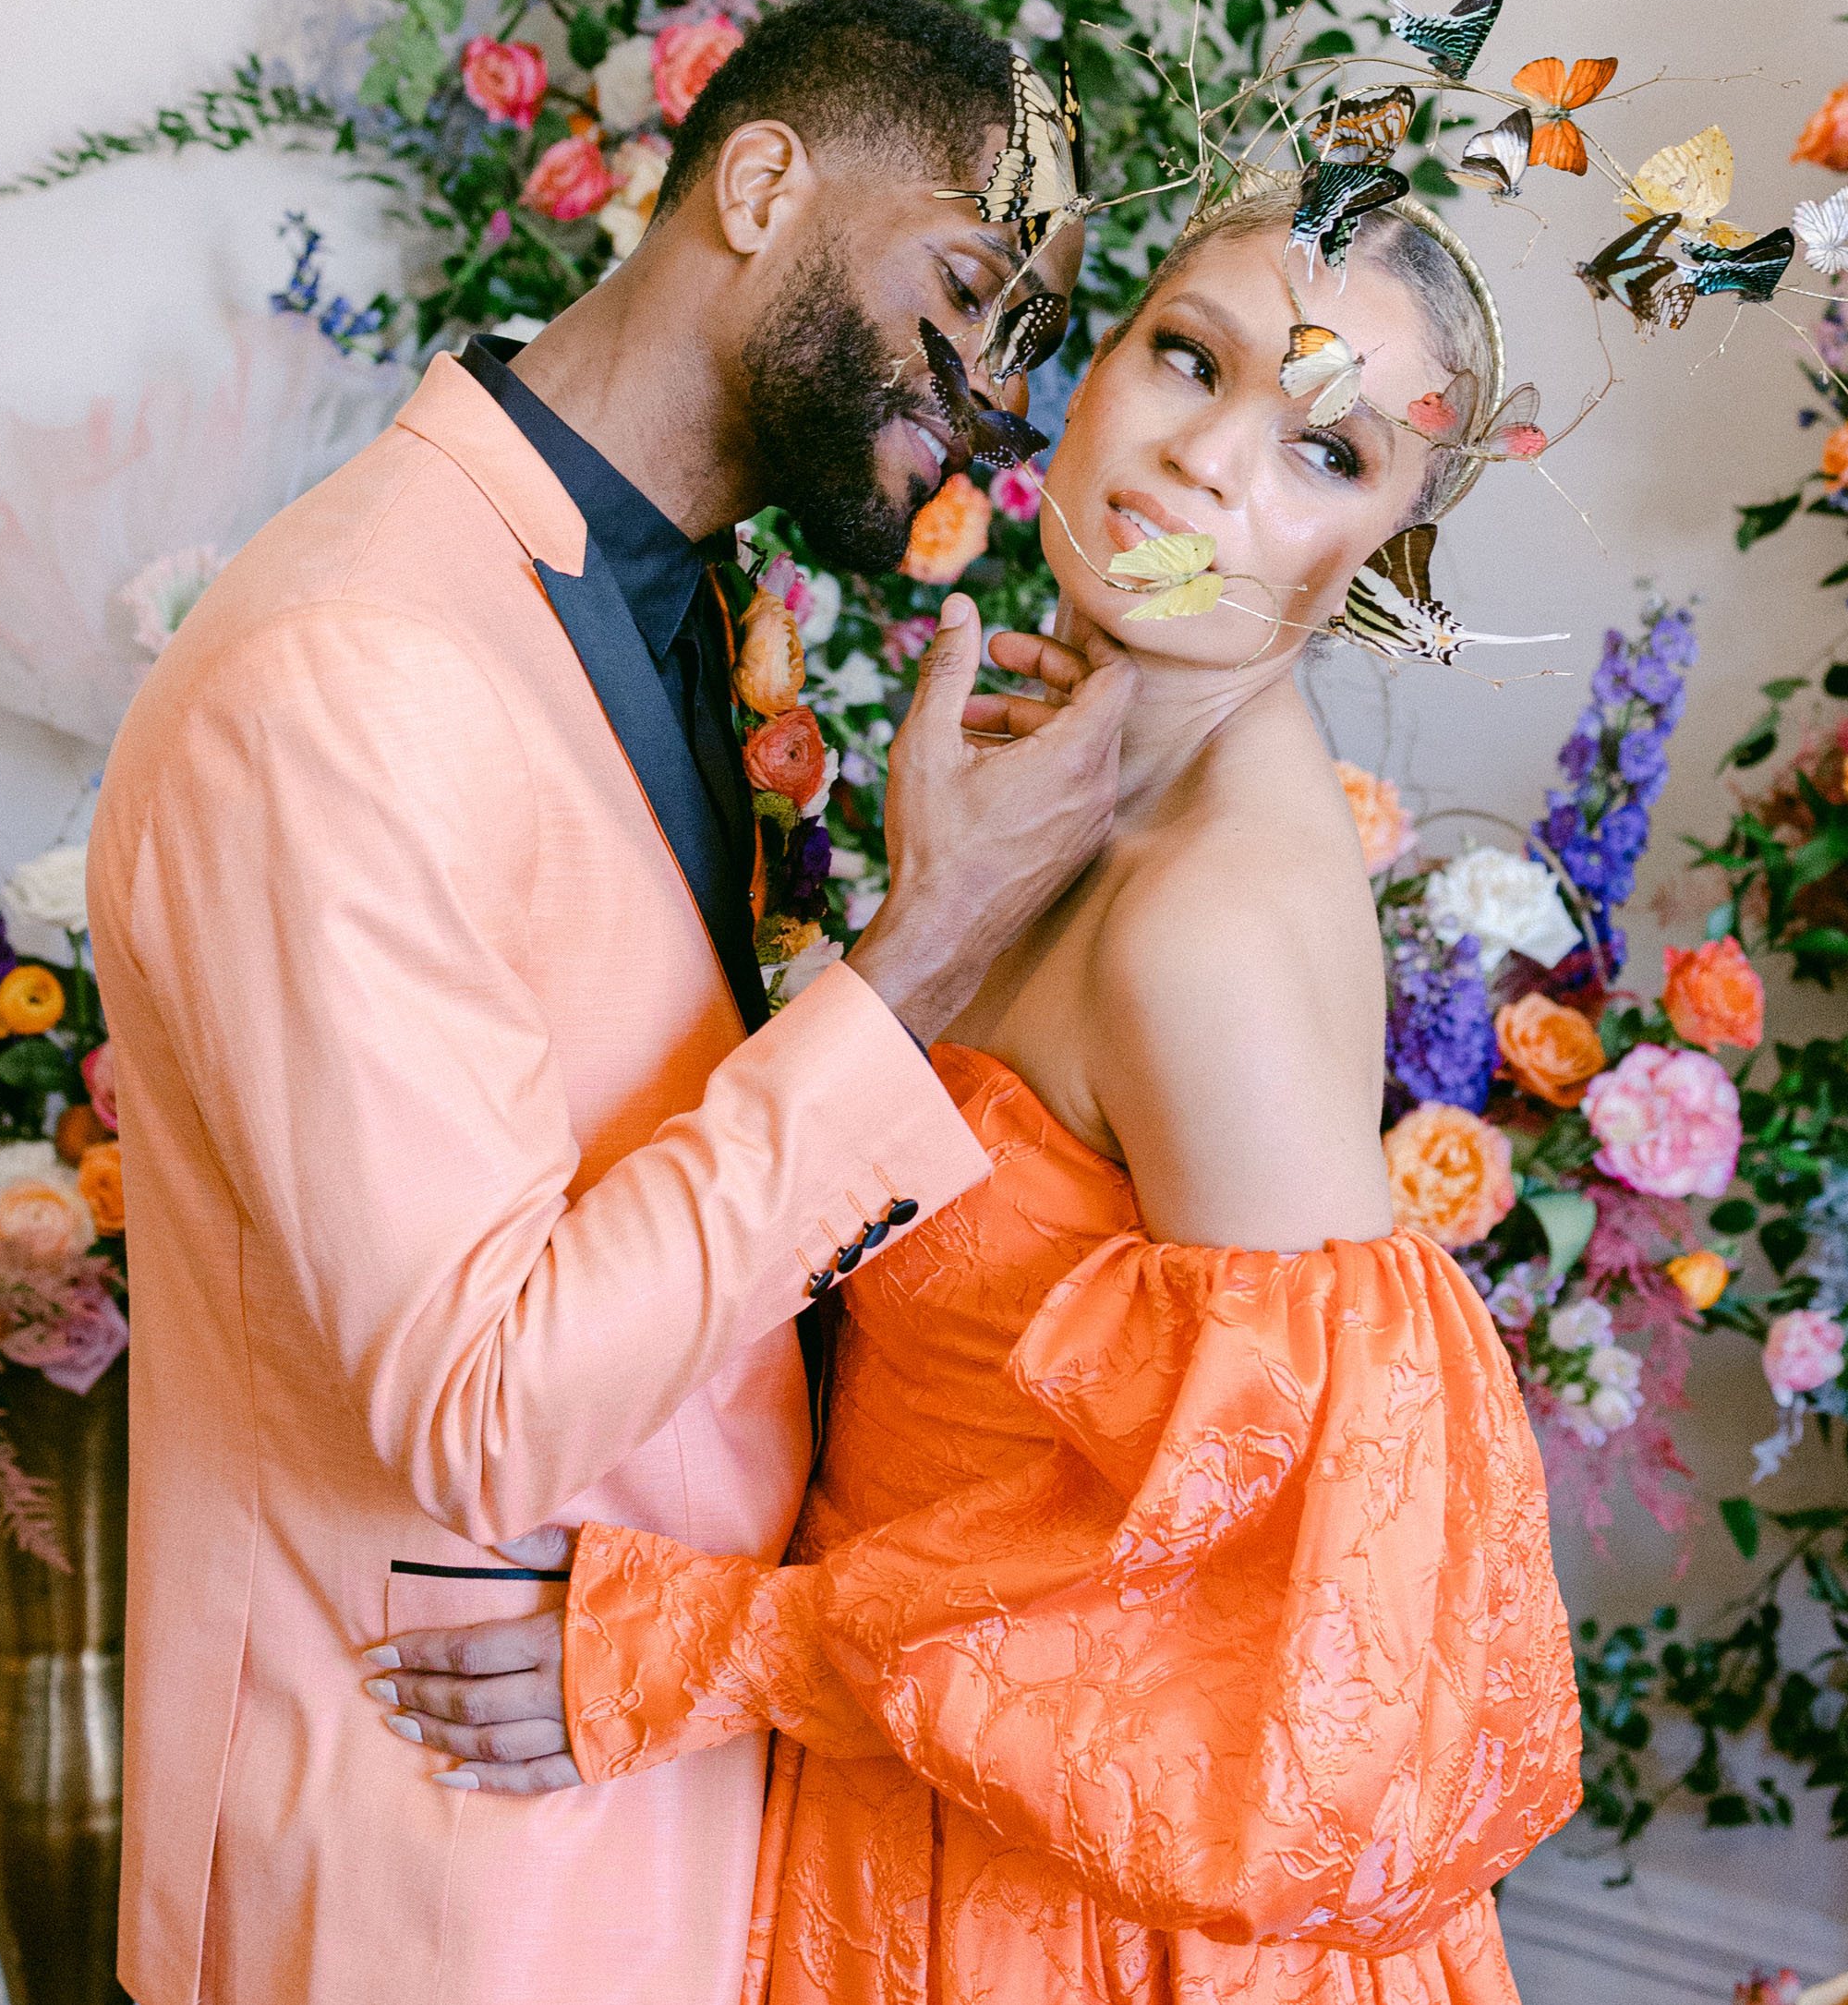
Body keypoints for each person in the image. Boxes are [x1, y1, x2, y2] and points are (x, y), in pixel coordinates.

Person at [374, 181, 1582, 2001]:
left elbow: (1290, 1594)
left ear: (1382, 564)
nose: (1204, 463)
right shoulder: (1067, 800)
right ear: (1090, 364)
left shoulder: (1208, 934)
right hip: (915, 1822)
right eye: (1190, 355)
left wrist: (710, 1643)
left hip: (1076, 1911)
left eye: (1323, 447)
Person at [84, 0, 1139, 2005]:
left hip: (659, 1767)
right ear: (760, 182)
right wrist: (921, 951)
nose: (994, 397)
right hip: (432, 1861)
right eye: (972, 287)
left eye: (1030, 342)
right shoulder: (350, 666)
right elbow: (481, 1404)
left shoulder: (655, 592)